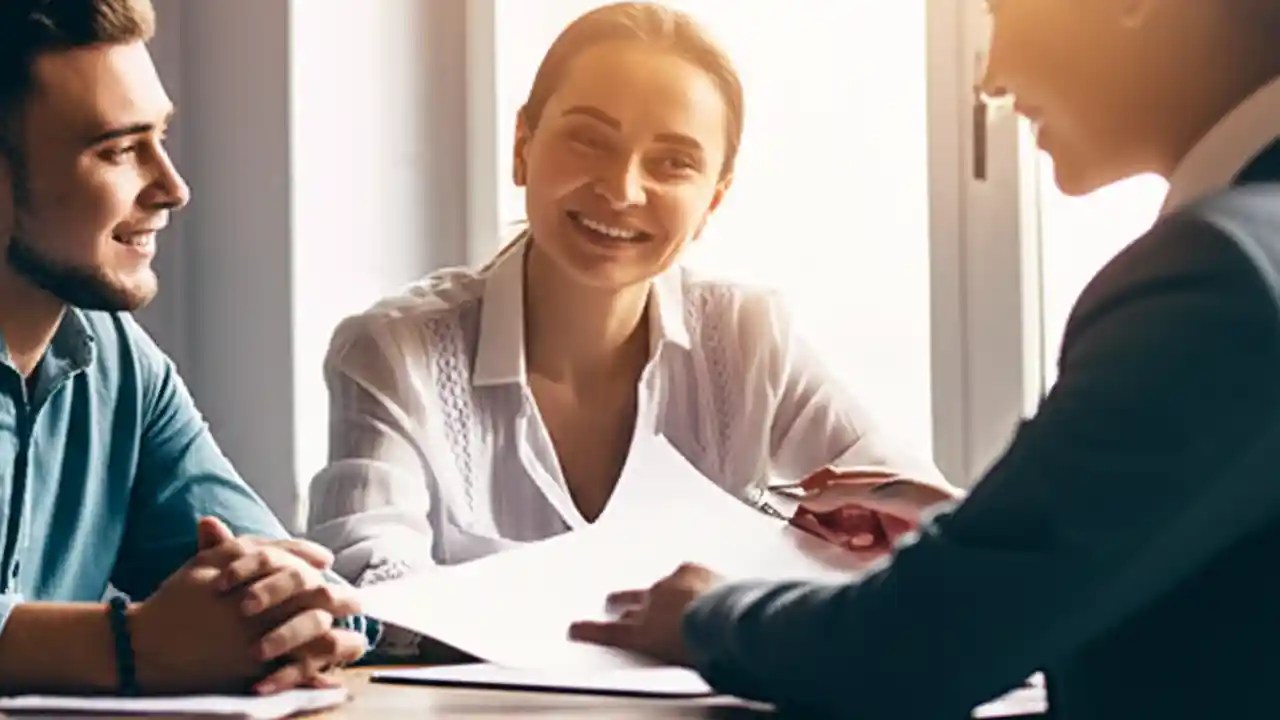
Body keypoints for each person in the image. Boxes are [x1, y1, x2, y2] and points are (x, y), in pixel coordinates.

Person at [569, 1, 1280, 718]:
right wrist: (988, 531)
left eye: (1001, 10)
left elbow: (923, 644)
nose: (991, 78)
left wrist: (710, 614)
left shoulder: (1222, 270)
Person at [307, 1, 957, 659]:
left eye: (673, 163)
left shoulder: (748, 337)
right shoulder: (394, 351)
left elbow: (933, 536)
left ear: (713, 198)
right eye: (589, 140)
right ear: (523, 148)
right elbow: (368, 585)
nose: (621, 190)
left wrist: (853, 548)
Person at [0, 0, 371, 695]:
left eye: (161, 136)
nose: (173, 188)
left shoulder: (121, 364)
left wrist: (295, 613)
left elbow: (291, 586)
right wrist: (133, 645)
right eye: (118, 150)